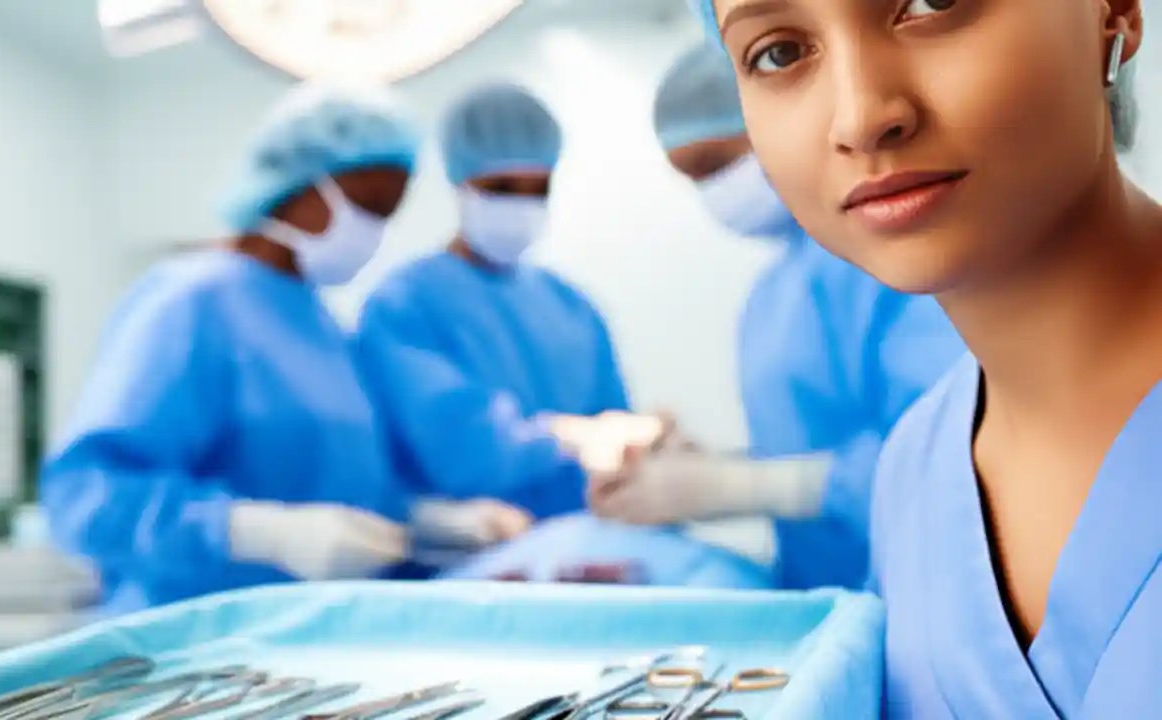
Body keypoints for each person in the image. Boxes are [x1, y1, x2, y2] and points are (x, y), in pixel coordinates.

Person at [695, 0, 1160, 716]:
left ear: (1114, 12)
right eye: (780, 53)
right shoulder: (914, 472)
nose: (860, 117)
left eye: (931, 3)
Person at [43, 85, 529, 613]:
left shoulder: (323, 325)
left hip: (304, 649)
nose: (373, 230)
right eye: (367, 206)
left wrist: (431, 524)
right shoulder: (190, 302)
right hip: (189, 646)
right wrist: (258, 533)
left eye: (388, 214)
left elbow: (339, 494)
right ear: (299, 184)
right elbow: (86, 495)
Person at [589, 44, 965, 590]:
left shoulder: (898, 257)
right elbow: (801, 447)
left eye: (719, 164)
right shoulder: (769, 297)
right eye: (693, 178)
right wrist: (707, 470)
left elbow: (957, 456)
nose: (715, 192)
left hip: (928, 594)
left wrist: (747, 488)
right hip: (826, 595)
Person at [355, 82, 636, 520]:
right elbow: (458, 450)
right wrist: (563, 437)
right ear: (460, 182)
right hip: (471, 568)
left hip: (591, 553)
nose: (520, 204)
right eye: (501, 186)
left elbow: (618, 437)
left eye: (537, 188)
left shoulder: (571, 306)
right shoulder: (405, 305)